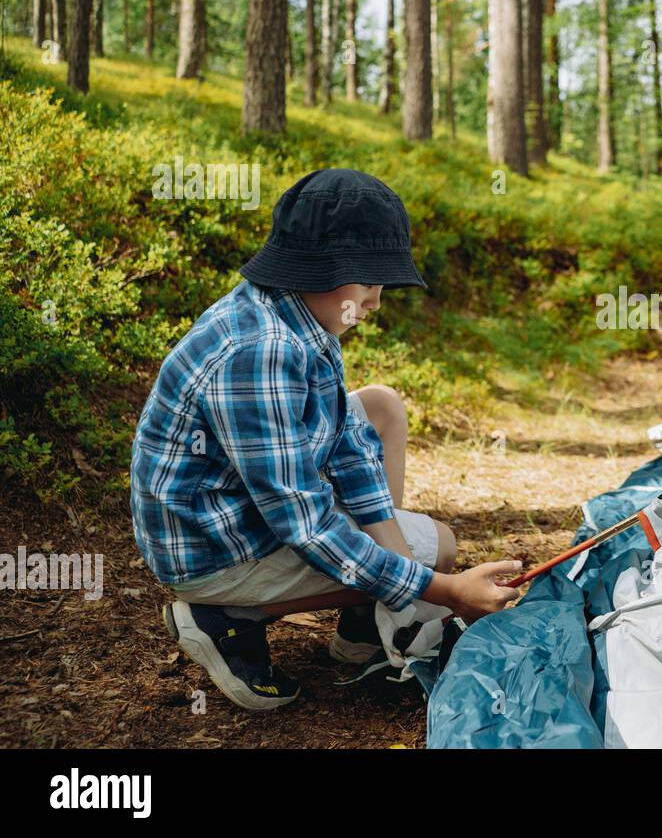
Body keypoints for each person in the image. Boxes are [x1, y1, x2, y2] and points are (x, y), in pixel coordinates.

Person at [130, 168, 520, 711]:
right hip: (214, 546)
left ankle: (366, 620)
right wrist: (440, 590)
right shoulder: (260, 351)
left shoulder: (302, 318)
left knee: (390, 437)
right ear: (318, 271)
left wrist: (401, 566)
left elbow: (348, 445)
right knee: (436, 559)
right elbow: (303, 523)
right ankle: (225, 615)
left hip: (245, 508)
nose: (378, 301)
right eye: (368, 283)